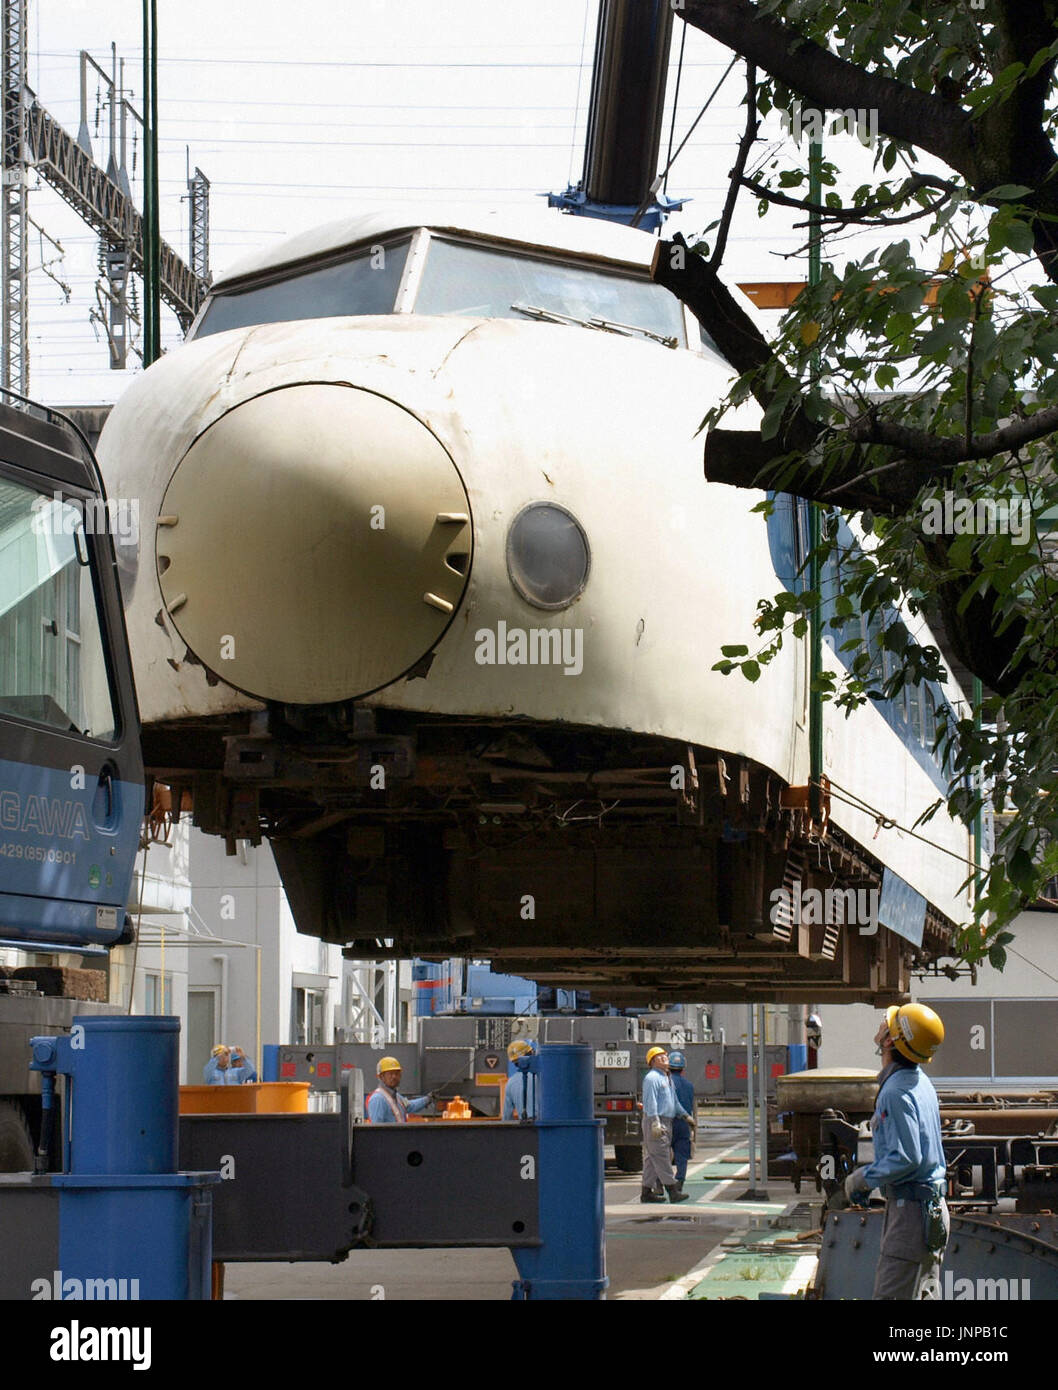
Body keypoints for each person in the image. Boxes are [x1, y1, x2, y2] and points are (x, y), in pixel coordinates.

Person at [844, 1003, 948, 1300]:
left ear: (890, 1040)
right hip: (931, 1210)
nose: (882, 1023)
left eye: (888, 1022)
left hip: (911, 1214)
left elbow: (906, 1156)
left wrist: (862, 1179)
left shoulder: (895, 1092)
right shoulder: (921, 1084)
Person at [640, 1046, 692, 1204]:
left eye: (665, 1055)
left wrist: (684, 1115)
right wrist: (655, 1122)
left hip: (667, 1121)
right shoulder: (652, 1078)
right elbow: (650, 1101)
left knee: (652, 1158)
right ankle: (672, 1191)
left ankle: (646, 1192)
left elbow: (673, 1101)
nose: (664, 1058)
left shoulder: (666, 1077)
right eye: (660, 1057)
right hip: (656, 1121)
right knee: (662, 1155)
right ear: (652, 1061)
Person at [366, 1055, 434, 1123]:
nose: (394, 1077)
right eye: (390, 1074)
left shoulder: (397, 1097)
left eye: (397, 1073)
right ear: (381, 1076)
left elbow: (410, 1106)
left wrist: (428, 1099)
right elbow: (376, 1129)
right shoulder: (378, 1099)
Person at [667, 1049, 695, 1192]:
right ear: (683, 1068)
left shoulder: (666, 1083)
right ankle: (680, 1182)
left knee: (664, 1154)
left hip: (668, 1122)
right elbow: (690, 1106)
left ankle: (662, 1183)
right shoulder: (690, 1086)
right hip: (684, 1123)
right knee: (681, 1154)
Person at [503, 1039, 538, 1120]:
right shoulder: (540, 1077)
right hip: (543, 1124)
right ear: (531, 1054)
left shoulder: (510, 1083)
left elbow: (507, 1117)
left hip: (524, 1125)